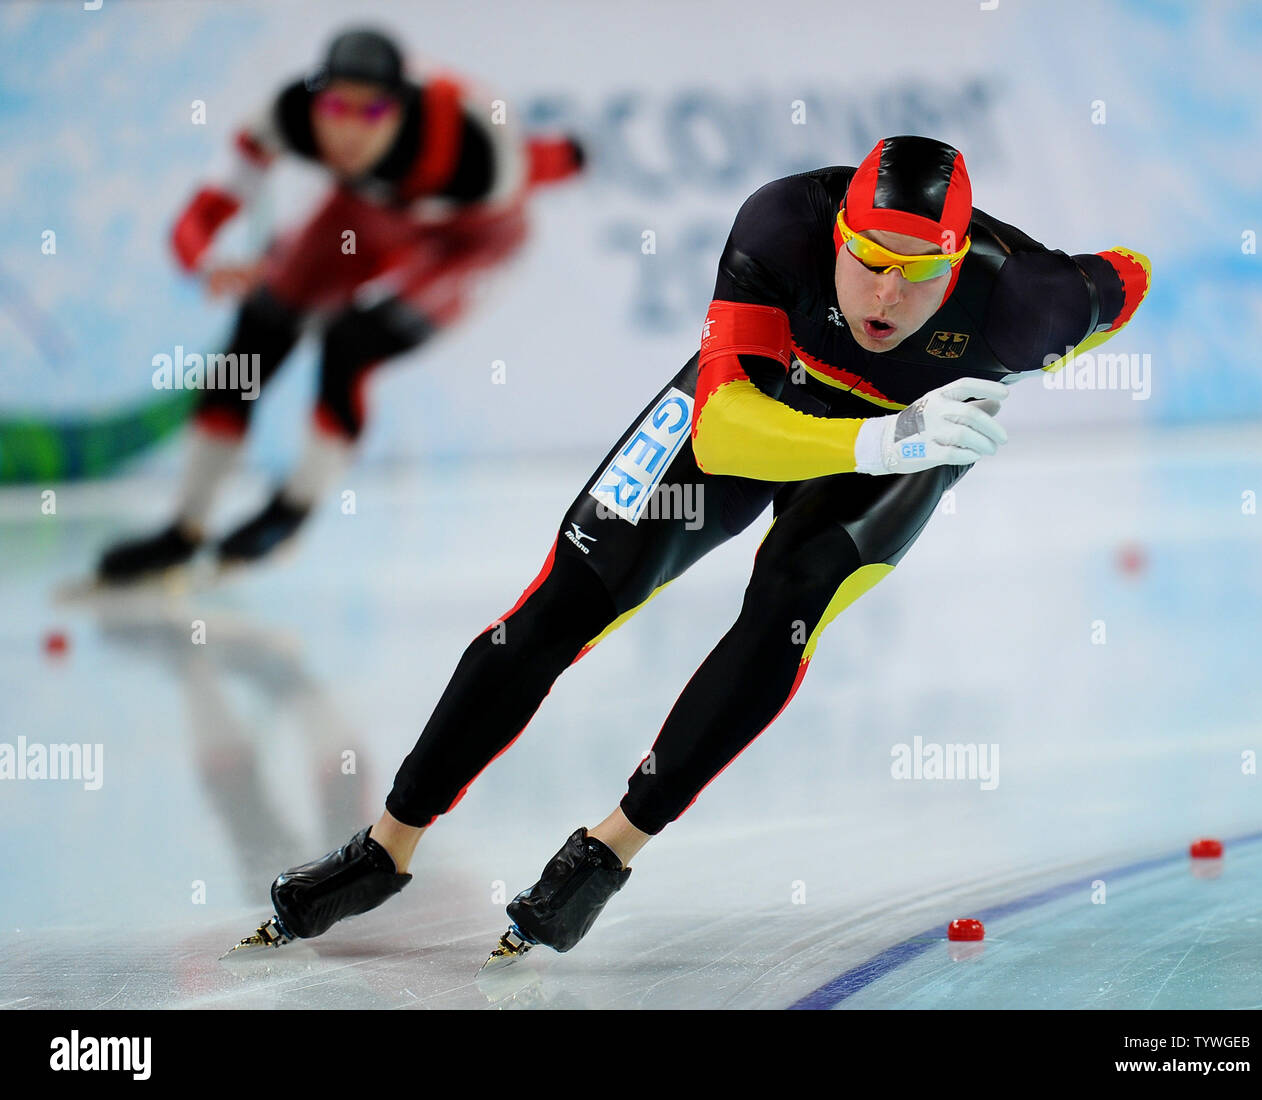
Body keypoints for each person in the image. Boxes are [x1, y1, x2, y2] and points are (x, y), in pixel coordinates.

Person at [235, 135, 1151, 963]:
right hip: (773, 410)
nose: (886, 295)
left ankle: (608, 850)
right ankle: (386, 847)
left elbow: (1129, 276)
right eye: (869, 261)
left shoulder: (1029, 303)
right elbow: (722, 436)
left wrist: (1048, 360)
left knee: (790, 600)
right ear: (837, 233)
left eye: (920, 274)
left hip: (901, 447)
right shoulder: (782, 225)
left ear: (959, 262)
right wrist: (886, 437)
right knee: (568, 597)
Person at [97, 27, 584, 582]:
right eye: (335, 106)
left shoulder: (477, 143)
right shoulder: (288, 114)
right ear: (314, 98)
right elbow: (202, 214)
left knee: (350, 345)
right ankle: (184, 529)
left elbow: (536, 169)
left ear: (405, 110)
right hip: (364, 214)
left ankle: (291, 510)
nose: (348, 130)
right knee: (256, 333)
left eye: (373, 112)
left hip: (467, 242)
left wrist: (572, 156)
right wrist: (208, 262)